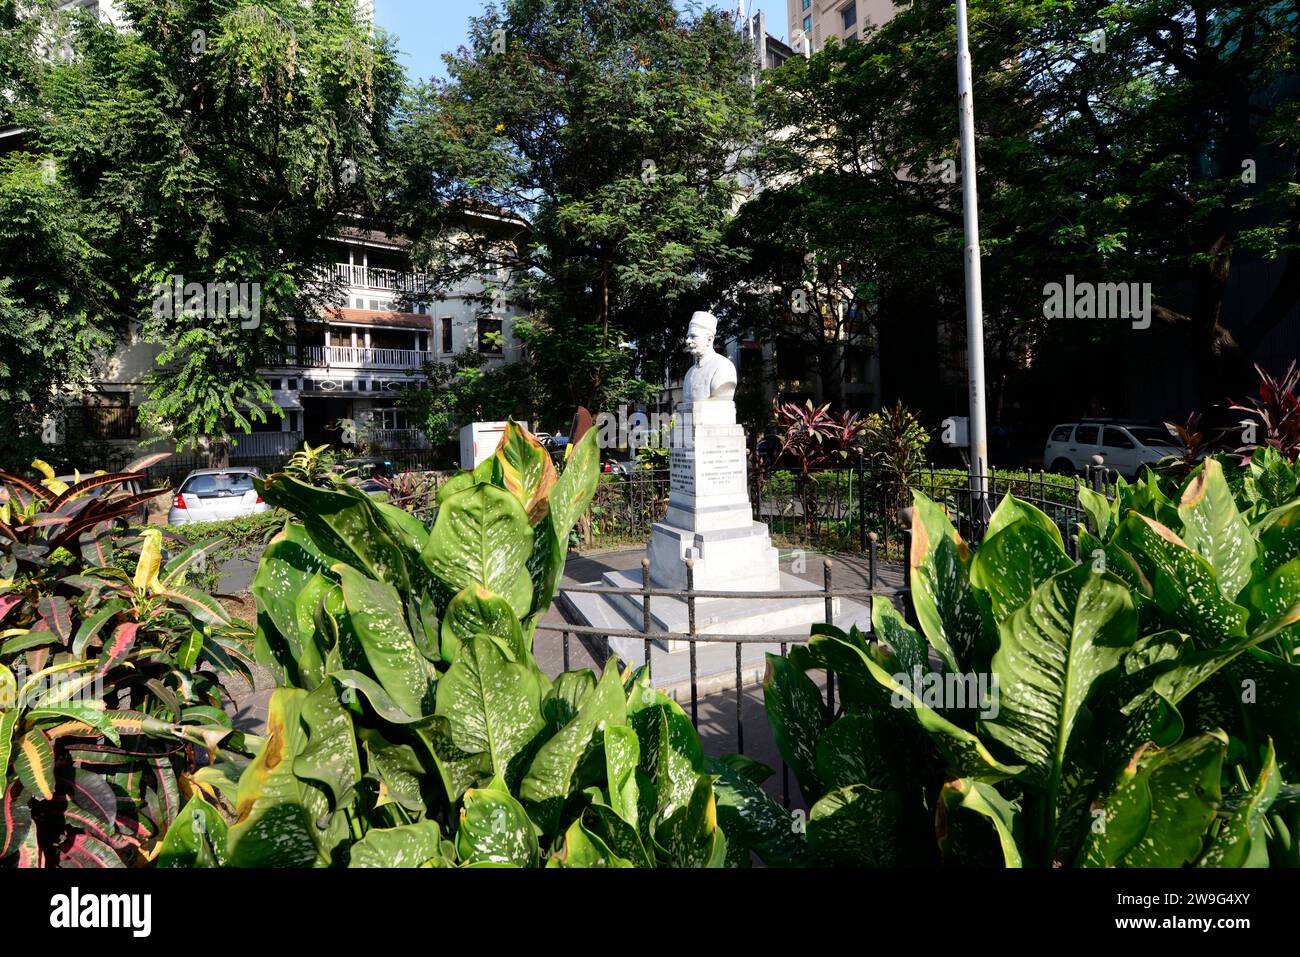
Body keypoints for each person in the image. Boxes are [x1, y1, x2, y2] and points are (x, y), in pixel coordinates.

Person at [681, 311, 737, 403]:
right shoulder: (689, 373)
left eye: (693, 336)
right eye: (688, 336)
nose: (687, 341)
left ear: (709, 339)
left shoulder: (724, 367)